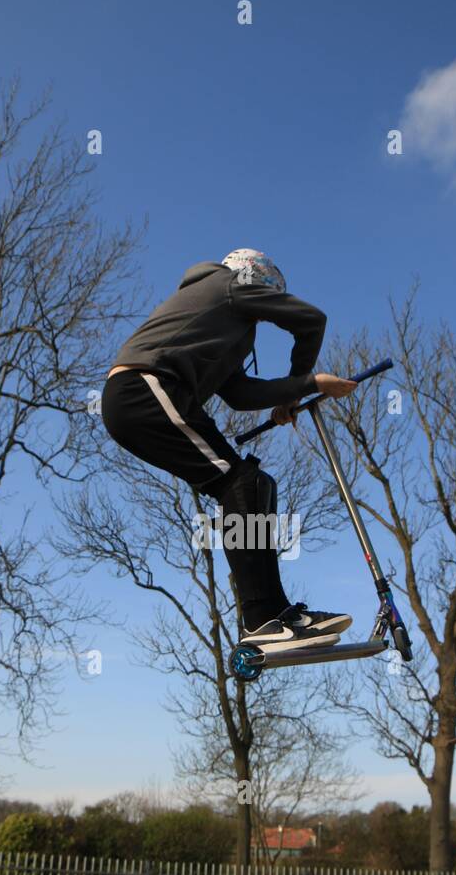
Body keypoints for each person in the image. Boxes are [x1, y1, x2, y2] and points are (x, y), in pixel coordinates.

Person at [102, 249, 357, 654]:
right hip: (144, 388)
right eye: (268, 296)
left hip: (151, 396)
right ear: (257, 279)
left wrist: (298, 392)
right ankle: (261, 619)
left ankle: (275, 615)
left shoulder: (225, 325)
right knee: (241, 483)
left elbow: (238, 394)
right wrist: (308, 379)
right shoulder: (228, 286)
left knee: (252, 485)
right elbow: (311, 320)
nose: (264, 311)